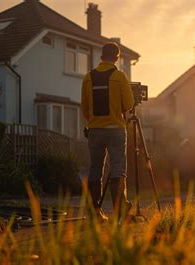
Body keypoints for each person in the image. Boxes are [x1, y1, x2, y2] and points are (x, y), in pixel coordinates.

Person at [81, 42, 134, 222]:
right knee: (118, 168)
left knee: (95, 169)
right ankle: (120, 214)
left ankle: (95, 213)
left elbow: (85, 108)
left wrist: (95, 122)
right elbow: (128, 105)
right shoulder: (119, 76)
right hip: (115, 131)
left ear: (101, 56)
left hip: (94, 131)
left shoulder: (88, 77)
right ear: (117, 58)